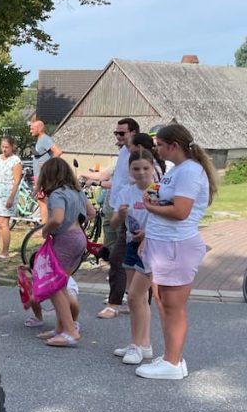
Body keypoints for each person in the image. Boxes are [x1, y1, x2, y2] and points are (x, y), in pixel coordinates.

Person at [136, 124, 217, 380]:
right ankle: (174, 357)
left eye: (160, 144)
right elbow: (170, 202)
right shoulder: (177, 170)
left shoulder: (190, 171)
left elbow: (181, 212)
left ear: (174, 146)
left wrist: (150, 208)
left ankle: (172, 363)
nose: (156, 149)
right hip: (164, 244)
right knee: (162, 301)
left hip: (176, 245)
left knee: (173, 306)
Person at [37, 157, 96, 347]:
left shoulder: (56, 194)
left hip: (65, 239)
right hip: (79, 238)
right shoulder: (76, 191)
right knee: (61, 284)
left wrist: (45, 230)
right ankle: (61, 327)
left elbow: (57, 219)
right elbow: (92, 212)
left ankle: (70, 331)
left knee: (55, 287)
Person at [82, 118, 137, 319]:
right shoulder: (123, 152)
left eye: (122, 133)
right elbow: (114, 176)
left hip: (129, 211)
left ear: (134, 133)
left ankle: (116, 303)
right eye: (116, 133)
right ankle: (132, 301)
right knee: (121, 258)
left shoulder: (137, 154)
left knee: (119, 258)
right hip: (116, 208)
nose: (118, 137)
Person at [111, 150, 157, 365]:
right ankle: (144, 344)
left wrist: (147, 234)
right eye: (136, 169)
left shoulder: (158, 191)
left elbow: (167, 221)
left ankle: (135, 345)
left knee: (134, 298)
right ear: (129, 170)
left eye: (145, 168)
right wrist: (120, 215)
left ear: (153, 167)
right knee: (137, 297)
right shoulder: (126, 192)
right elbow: (112, 223)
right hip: (131, 244)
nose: (141, 173)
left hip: (152, 247)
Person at [0, 137, 22, 259]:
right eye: (2, 146)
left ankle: (5, 252)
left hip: (8, 193)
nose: (4, 149)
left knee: (3, 223)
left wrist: (11, 197)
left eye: (7, 147)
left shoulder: (16, 161)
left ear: (12, 147)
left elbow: (17, 181)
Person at [29, 120, 61, 221]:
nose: (30, 131)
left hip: (44, 177)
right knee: (41, 201)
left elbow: (58, 152)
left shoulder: (45, 139)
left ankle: (44, 228)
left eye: (32, 128)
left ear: (40, 129)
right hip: (39, 175)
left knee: (43, 202)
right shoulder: (39, 140)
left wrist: (48, 164)